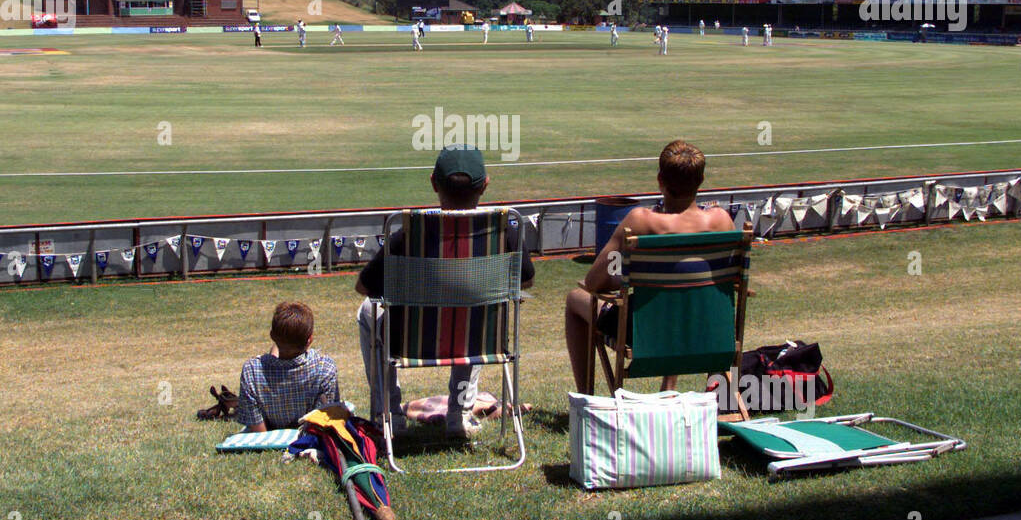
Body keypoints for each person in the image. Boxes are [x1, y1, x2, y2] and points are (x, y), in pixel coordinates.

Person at [356, 145, 534, 436]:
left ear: (433, 183)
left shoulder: (410, 235)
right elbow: (525, 281)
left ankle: (389, 415)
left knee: (367, 311)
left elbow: (364, 287)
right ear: (485, 185)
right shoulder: (504, 231)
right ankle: (459, 413)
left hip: (412, 341)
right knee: (479, 309)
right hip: (476, 340)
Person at [564, 140, 734, 391]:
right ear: (701, 180)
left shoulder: (641, 222)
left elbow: (593, 282)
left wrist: (619, 278)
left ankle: (586, 397)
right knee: (682, 297)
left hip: (649, 334)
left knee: (575, 299)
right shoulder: (721, 220)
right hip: (708, 331)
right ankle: (669, 390)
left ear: (660, 180)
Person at [237, 301, 340, 431]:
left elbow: (259, 433)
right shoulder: (324, 368)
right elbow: (324, 420)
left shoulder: (251, 371)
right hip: (311, 433)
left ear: (272, 336)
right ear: (309, 340)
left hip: (268, 433)